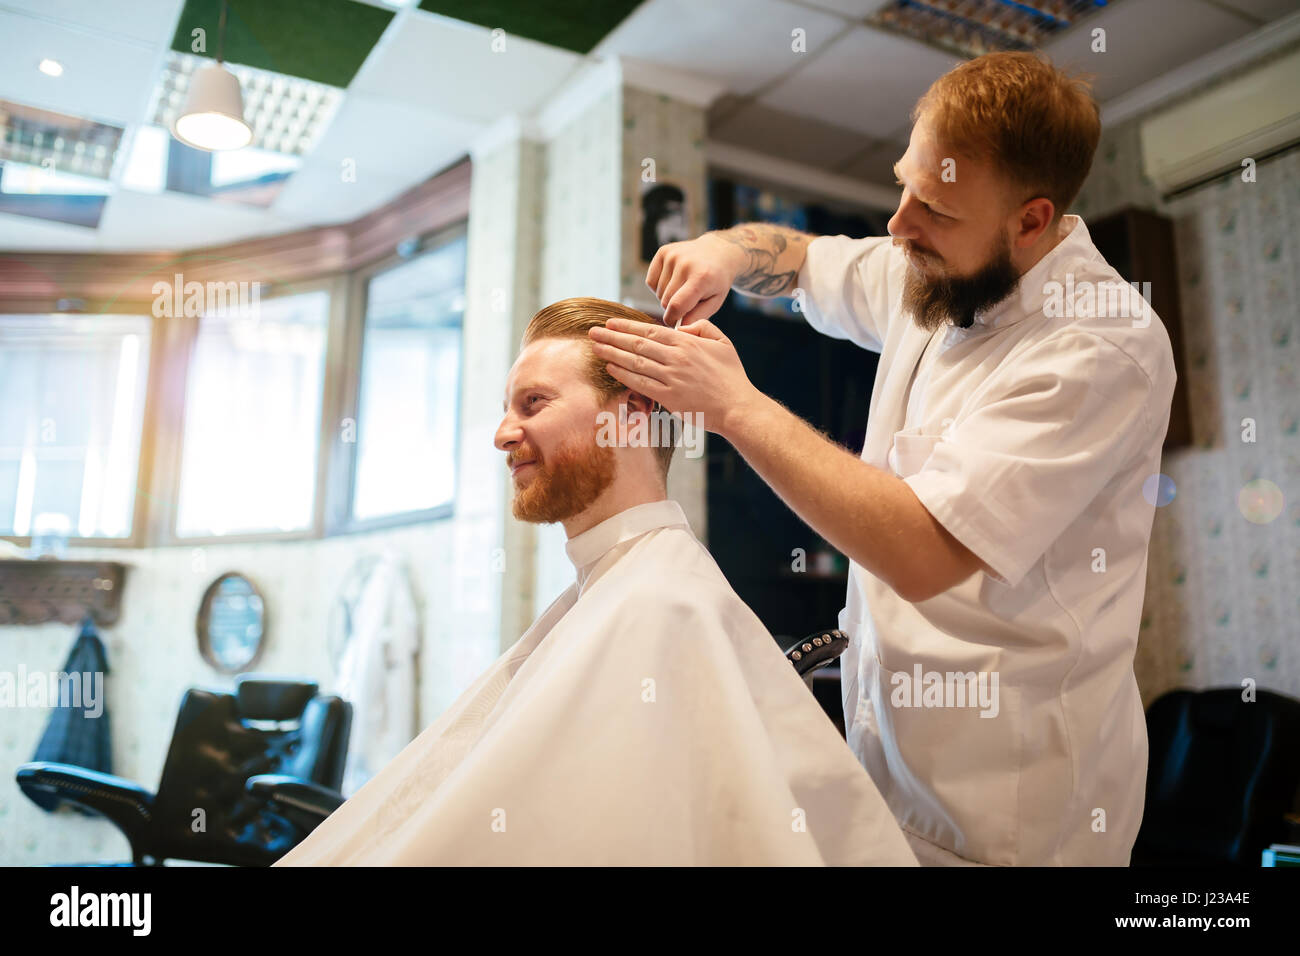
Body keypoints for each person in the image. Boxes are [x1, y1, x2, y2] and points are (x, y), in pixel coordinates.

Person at [587, 52, 1177, 866]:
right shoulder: (936, 266)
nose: (900, 224)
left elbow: (923, 550)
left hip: (1009, 816)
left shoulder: (1102, 348)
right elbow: (799, 261)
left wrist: (736, 408)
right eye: (904, 185)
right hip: (886, 771)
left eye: (933, 207)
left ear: (1031, 221)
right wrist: (724, 249)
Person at [274, 296, 917, 866]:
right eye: (507, 408)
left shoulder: (665, 605)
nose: (503, 434)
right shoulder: (613, 586)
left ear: (631, 413)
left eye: (534, 403)